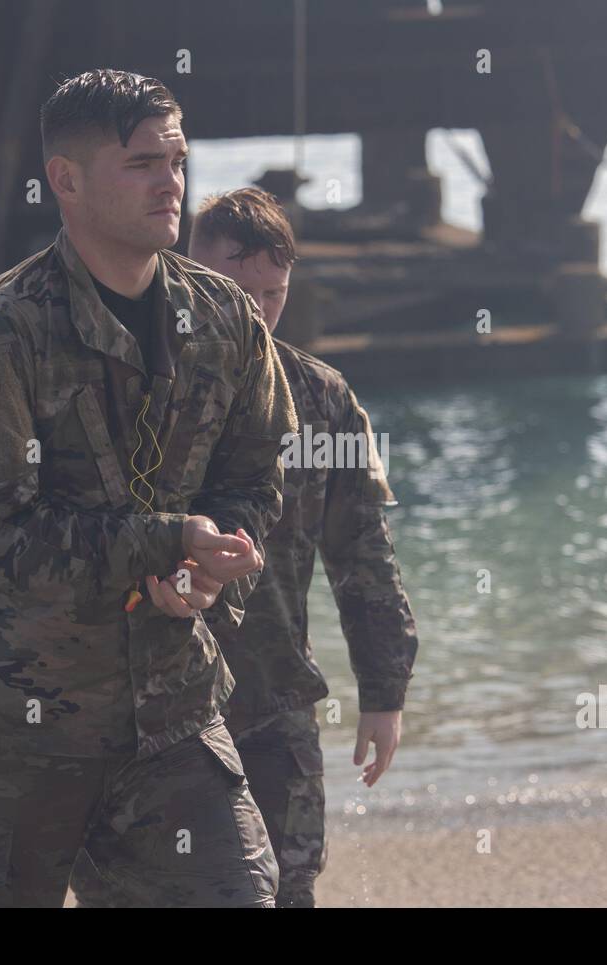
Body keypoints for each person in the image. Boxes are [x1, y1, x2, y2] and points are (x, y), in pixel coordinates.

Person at [0, 71, 298, 908]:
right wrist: (167, 539)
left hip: (173, 721)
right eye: (141, 163)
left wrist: (212, 563)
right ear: (65, 181)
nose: (170, 183)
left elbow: (257, 471)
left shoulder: (225, 319)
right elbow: (7, 546)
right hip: (16, 739)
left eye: (179, 161)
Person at [71, 187, 418, 908]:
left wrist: (384, 693)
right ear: (187, 273)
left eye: (274, 293)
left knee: (285, 889)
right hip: (146, 709)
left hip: (272, 699)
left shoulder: (322, 400)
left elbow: (363, 557)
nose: (257, 311)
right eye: (239, 290)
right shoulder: (137, 387)